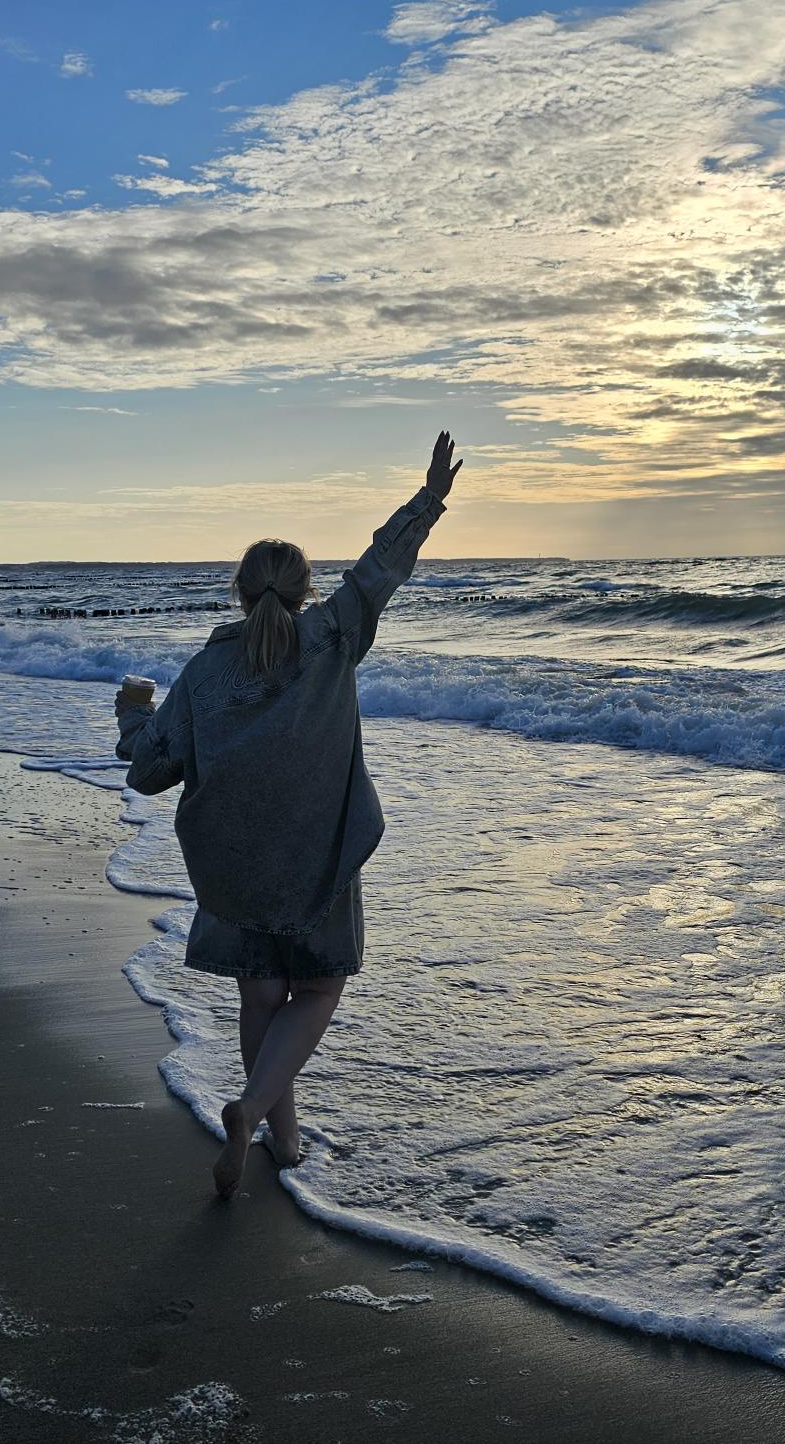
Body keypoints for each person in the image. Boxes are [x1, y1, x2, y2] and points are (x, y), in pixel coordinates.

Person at [114, 430, 463, 1198]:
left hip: (233, 867)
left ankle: (283, 1135)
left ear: (239, 593)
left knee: (260, 997)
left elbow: (148, 771)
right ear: (308, 591)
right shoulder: (333, 636)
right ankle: (255, 1110)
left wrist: (129, 715)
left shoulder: (207, 670)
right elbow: (381, 568)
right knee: (319, 990)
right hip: (316, 857)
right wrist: (430, 497)